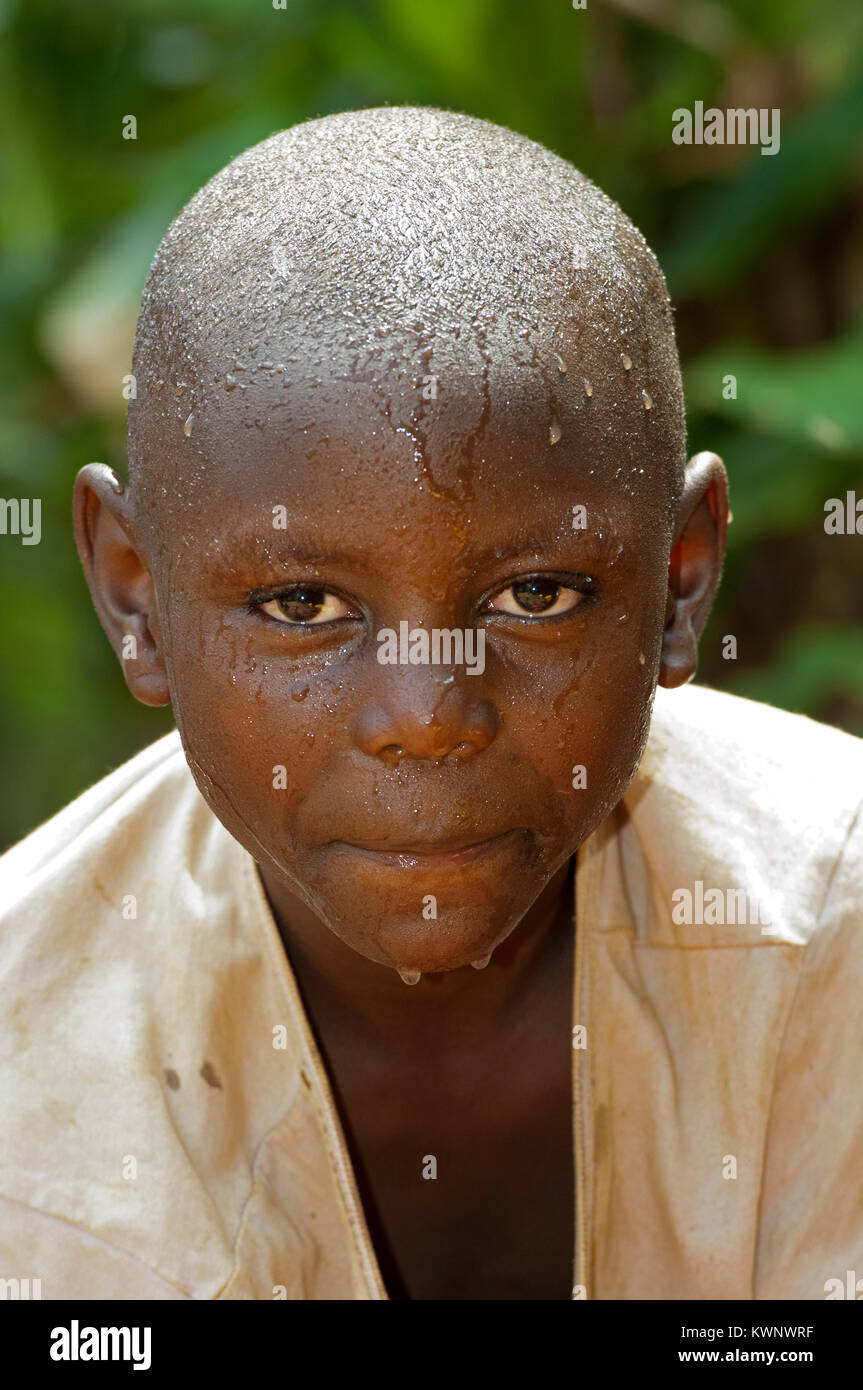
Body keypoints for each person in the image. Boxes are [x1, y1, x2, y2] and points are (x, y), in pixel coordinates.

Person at [1, 107, 861, 1301]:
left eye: (536, 593)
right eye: (303, 604)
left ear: (678, 581)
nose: (427, 713)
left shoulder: (834, 937)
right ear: (136, 598)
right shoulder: (23, 1053)